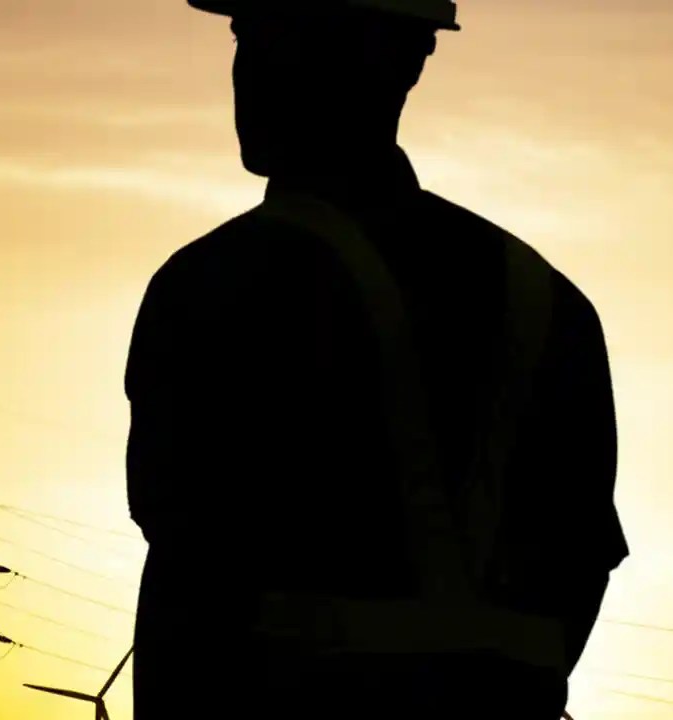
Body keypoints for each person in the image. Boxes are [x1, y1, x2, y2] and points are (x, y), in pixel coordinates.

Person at [124, 1, 628, 718]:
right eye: (245, 37)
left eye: (277, 35)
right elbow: (580, 569)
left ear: (391, 60)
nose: (248, 70)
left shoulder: (221, 284)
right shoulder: (549, 303)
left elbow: (190, 580)